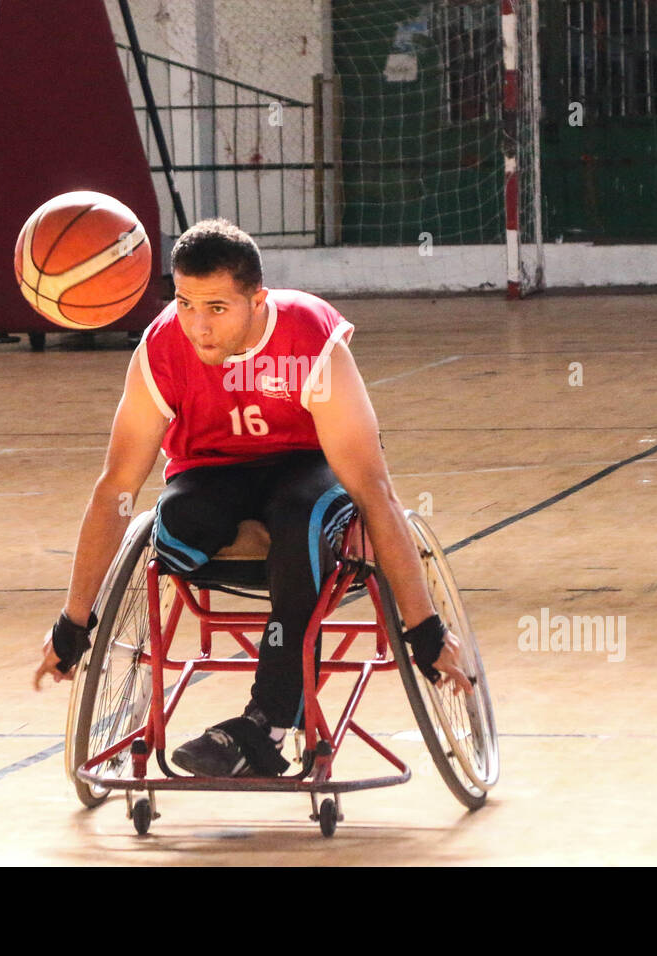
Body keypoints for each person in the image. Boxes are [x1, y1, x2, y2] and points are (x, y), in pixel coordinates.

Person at [33, 218, 471, 778]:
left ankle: (264, 725)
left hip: (306, 471)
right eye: (186, 303)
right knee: (178, 519)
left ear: (257, 301)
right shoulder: (162, 348)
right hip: (212, 474)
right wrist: (73, 623)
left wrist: (426, 630)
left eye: (217, 308)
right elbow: (116, 487)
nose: (198, 325)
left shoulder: (309, 337)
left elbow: (372, 487)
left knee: (299, 521)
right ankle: (268, 548)